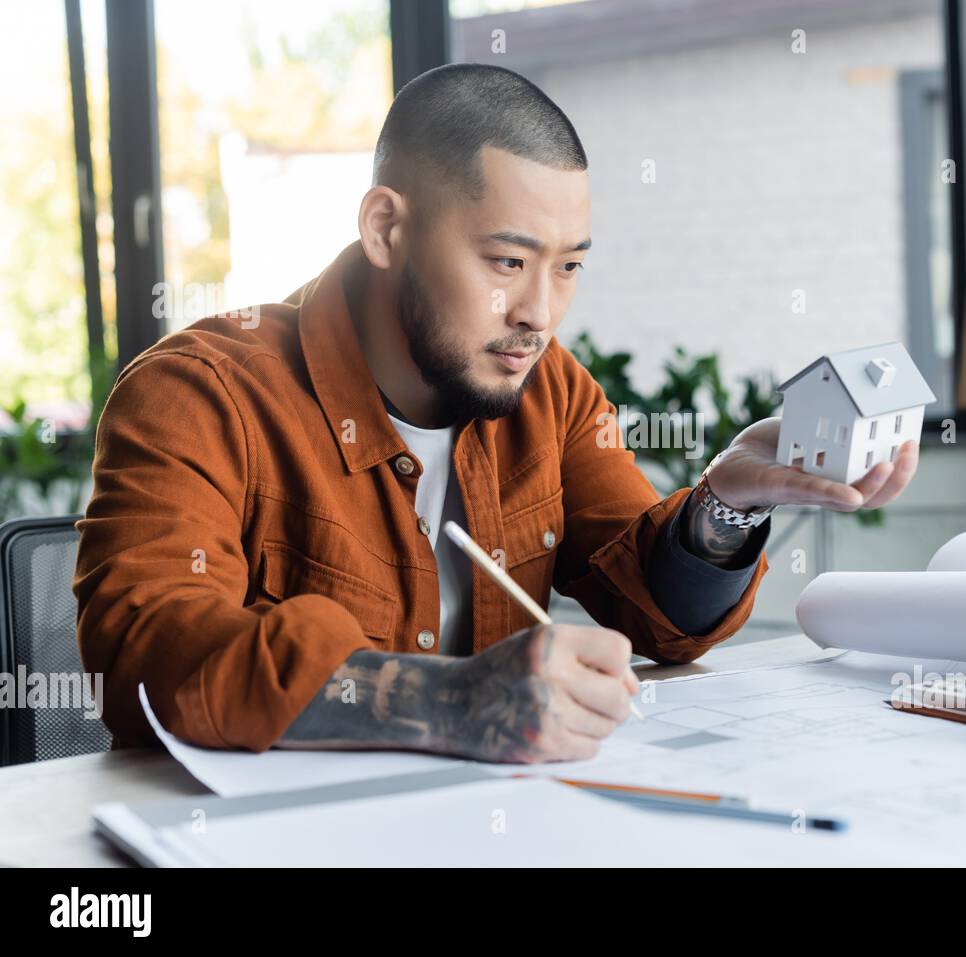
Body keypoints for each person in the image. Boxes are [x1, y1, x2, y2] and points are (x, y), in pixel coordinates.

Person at [74, 63, 918, 763]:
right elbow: (147, 656)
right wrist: (450, 700)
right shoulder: (200, 395)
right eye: (508, 261)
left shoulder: (546, 389)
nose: (540, 313)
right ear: (384, 228)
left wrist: (729, 504)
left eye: (569, 267)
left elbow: (656, 612)